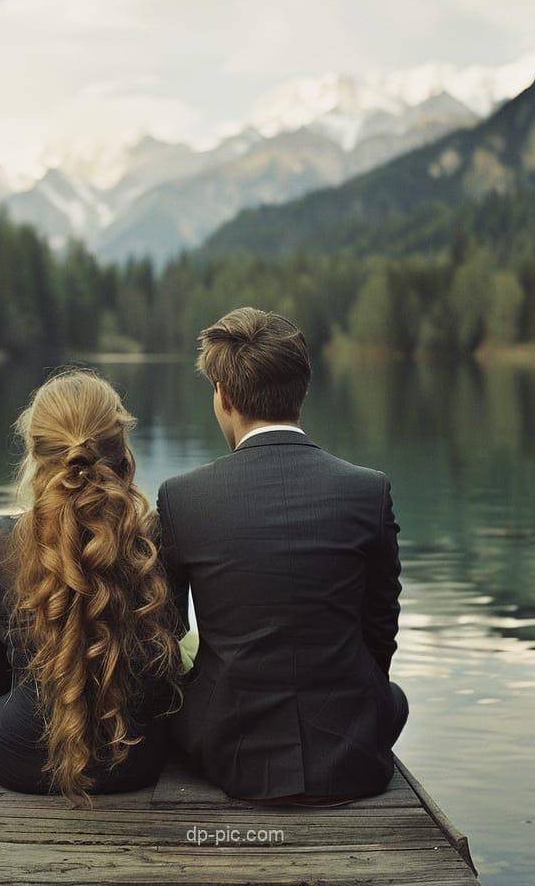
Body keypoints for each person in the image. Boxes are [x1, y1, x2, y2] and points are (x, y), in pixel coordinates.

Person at [156, 306, 409, 803]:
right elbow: (380, 633)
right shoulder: (368, 491)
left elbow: (166, 632)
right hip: (352, 754)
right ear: (302, 391)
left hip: (230, 753)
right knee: (393, 700)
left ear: (224, 398)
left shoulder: (182, 498)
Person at [0, 368, 186, 803]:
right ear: (122, 454)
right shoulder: (158, 539)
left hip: (24, 755)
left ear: (35, 455)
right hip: (138, 757)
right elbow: (168, 654)